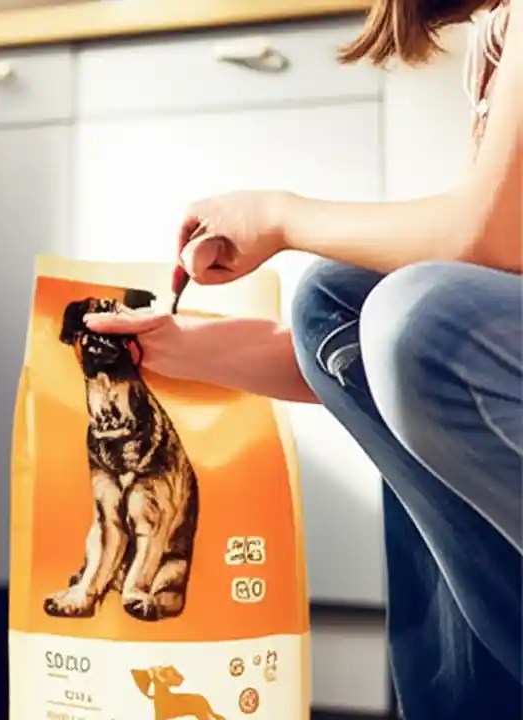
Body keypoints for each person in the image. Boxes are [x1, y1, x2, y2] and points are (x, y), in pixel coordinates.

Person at [86, 1, 520, 718]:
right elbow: (407, 364)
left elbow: (484, 245)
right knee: (341, 299)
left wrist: (283, 218)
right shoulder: (500, 31)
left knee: (422, 309)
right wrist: (179, 348)